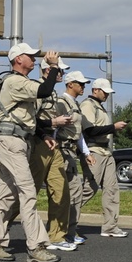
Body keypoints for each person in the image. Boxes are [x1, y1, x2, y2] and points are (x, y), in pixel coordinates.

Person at [0, 43, 63, 262]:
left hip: (13, 141)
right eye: (30, 56)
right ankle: (36, 247)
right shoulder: (15, 81)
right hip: (11, 143)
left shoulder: (17, 82)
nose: (35, 59)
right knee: (28, 192)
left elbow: (24, 118)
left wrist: (42, 134)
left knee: (5, 196)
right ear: (18, 59)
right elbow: (45, 91)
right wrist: (53, 66)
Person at [30, 59, 77, 251]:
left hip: (53, 145)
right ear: (48, 70)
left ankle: (56, 236)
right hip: (37, 145)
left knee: (61, 191)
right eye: (59, 71)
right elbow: (28, 121)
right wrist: (52, 122)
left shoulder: (54, 93)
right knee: (27, 194)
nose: (62, 74)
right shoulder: (36, 90)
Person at [80, 78, 128, 238]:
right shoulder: (88, 105)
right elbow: (89, 131)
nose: (107, 95)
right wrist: (113, 127)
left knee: (112, 189)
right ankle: (65, 218)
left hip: (106, 151)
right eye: (105, 92)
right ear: (95, 90)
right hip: (94, 150)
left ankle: (110, 227)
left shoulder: (99, 106)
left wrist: (112, 129)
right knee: (89, 188)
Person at [57, 70, 96, 245]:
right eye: (80, 84)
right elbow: (56, 129)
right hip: (62, 151)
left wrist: (86, 152)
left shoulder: (75, 104)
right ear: (70, 84)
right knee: (70, 193)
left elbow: (77, 133)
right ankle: (64, 232)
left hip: (72, 151)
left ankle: (70, 231)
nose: (83, 87)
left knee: (75, 193)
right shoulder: (61, 102)